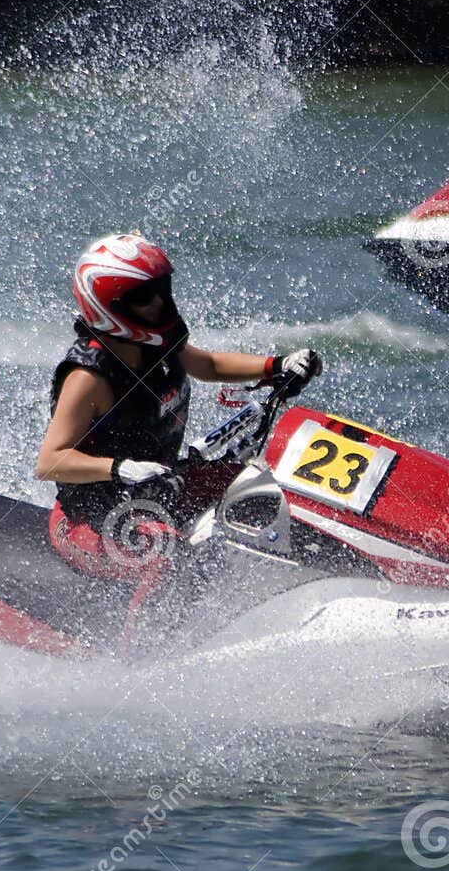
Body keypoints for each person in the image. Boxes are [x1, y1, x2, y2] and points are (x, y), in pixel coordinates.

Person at [36, 232, 321, 619]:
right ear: (109, 307)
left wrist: (276, 366)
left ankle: (319, 581)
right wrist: (120, 469)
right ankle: (139, 661)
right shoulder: (89, 378)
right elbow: (50, 461)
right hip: (90, 520)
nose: (158, 302)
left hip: (160, 489)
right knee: (165, 554)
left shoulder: (157, 342)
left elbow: (209, 365)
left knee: (257, 488)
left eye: (160, 289)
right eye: (143, 296)